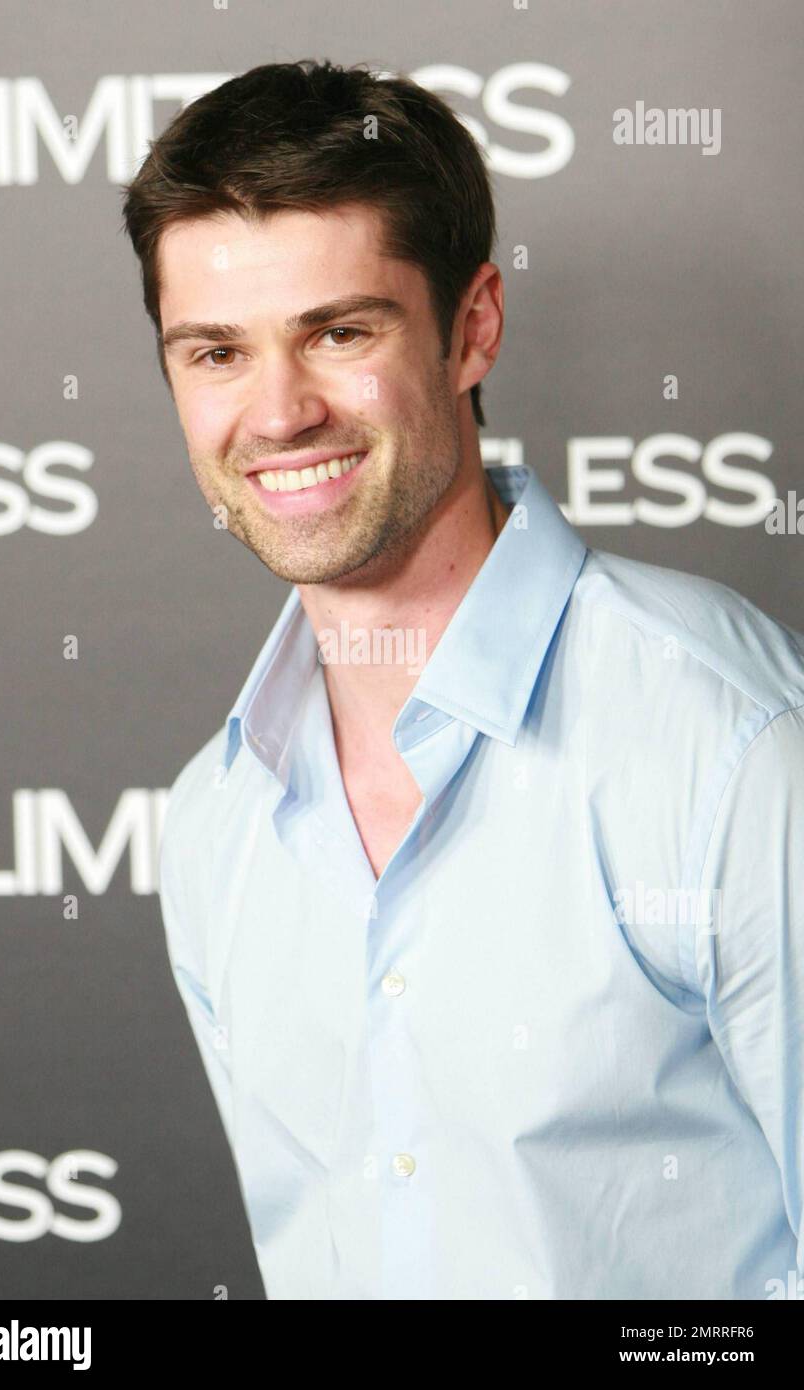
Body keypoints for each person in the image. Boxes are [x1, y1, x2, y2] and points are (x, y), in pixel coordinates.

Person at [122, 59, 804, 1300]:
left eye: (338, 331)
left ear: (474, 326)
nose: (277, 414)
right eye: (216, 351)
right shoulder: (215, 824)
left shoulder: (733, 747)